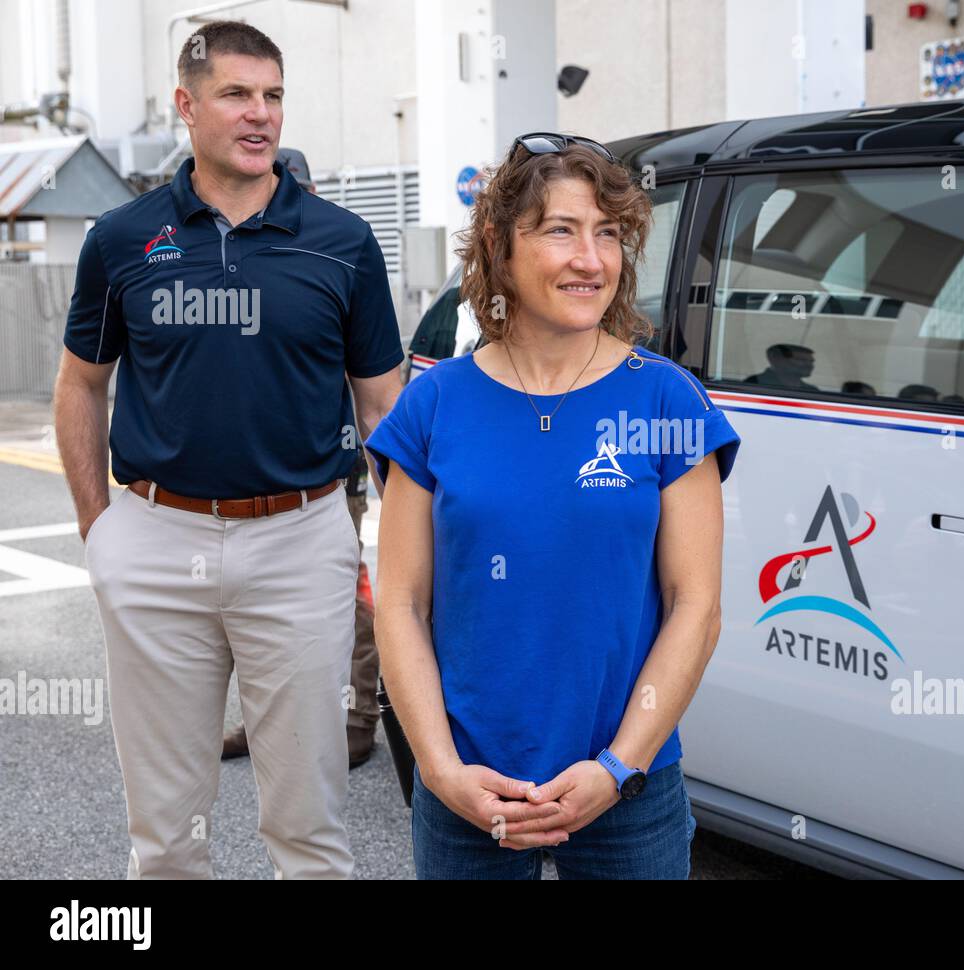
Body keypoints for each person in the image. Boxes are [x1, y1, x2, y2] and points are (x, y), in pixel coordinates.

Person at [53, 21, 403, 878]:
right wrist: (101, 528)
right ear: (186, 105)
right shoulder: (121, 240)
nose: (260, 115)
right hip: (154, 539)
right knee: (166, 837)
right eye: (236, 94)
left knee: (310, 828)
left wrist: (404, 545)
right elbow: (81, 385)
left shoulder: (343, 243)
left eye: (273, 95)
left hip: (300, 539)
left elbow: (384, 400)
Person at [367, 132, 741, 879]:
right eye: (562, 231)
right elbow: (400, 603)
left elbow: (694, 606)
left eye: (608, 234)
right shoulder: (434, 404)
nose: (591, 259)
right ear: (502, 249)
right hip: (469, 790)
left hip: (628, 791)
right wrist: (440, 772)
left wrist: (617, 768)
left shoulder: (665, 399)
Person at [222, 149, 381, 769]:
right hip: (244, 477)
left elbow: (371, 380)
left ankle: (355, 718)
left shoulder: (331, 252)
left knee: (344, 598)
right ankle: (264, 720)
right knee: (241, 601)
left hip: (328, 474)